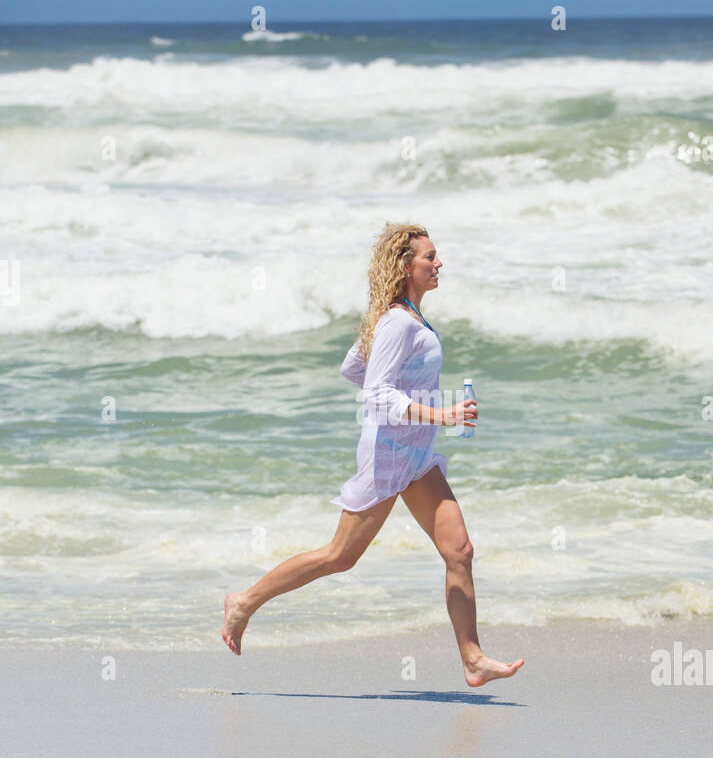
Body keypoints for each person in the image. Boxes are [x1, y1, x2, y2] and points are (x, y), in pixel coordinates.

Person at [222, 222, 524, 688]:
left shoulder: (407, 318)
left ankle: (473, 659)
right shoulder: (398, 323)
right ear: (405, 265)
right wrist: (439, 414)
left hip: (416, 457)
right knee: (340, 556)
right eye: (429, 257)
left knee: (459, 551)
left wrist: (414, 404)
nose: (438, 263)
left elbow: (354, 368)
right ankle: (244, 601)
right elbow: (376, 393)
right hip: (387, 456)